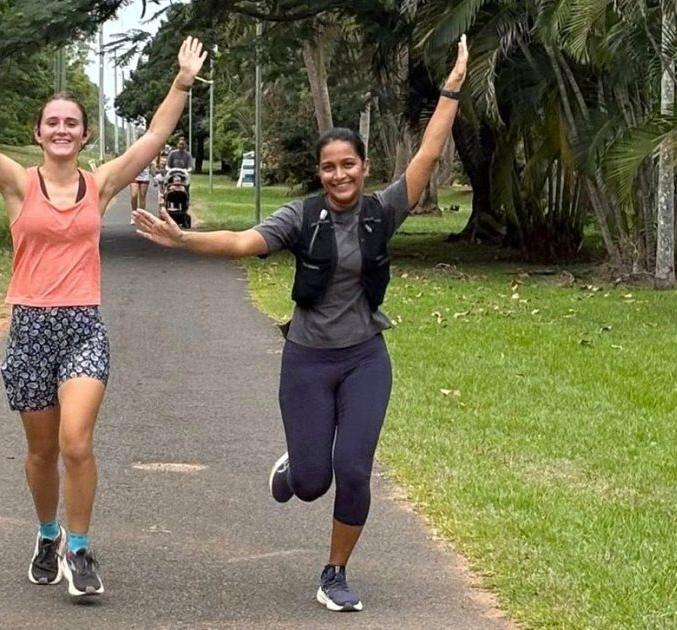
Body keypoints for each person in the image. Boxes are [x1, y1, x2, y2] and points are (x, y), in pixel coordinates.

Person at [133, 36, 469, 613]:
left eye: (350, 165)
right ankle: (296, 468)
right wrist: (183, 238)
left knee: (355, 470)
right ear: (320, 172)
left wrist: (453, 85)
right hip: (309, 358)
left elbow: (429, 155)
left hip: (365, 355)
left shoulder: (382, 211)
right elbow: (243, 241)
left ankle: (334, 573)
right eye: (329, 167)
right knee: (315, 481)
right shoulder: (301, 216)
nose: (340, 175)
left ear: (364, 168)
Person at [0, 36, 207, 597]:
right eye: (52, 123)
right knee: (40, 452)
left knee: (76, 444)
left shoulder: (100, 184)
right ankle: (46, 533)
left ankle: (80, 550)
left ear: (85, 135)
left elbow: (155, 136)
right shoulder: (18, 184)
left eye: (71, 123)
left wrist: (181, 82)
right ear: (39, 133)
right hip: (31, 328)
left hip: (83, 327)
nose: (62, 130)